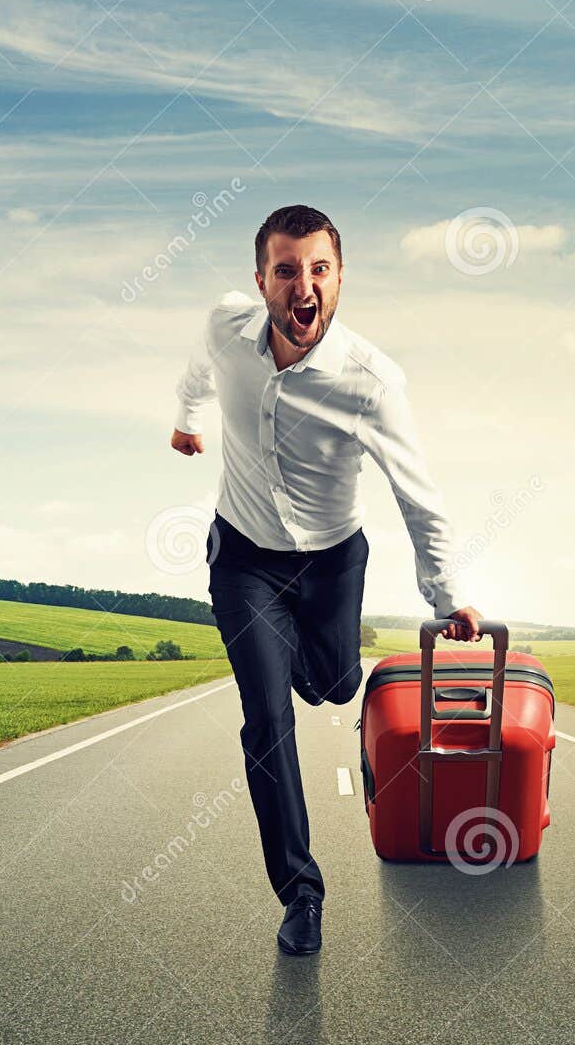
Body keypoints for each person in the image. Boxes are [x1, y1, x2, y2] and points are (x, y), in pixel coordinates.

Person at [170, 203, 484, 955]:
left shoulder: (371, 382)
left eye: (318, 270)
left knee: (337, 685)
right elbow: (196, 369)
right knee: (265, 719)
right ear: (261, 281)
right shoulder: (225, 327)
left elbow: (418, 495)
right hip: (243, 557)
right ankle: (300, 894)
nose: (301, 286)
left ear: (339, 278)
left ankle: (331, 675)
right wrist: (187, 419)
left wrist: (448, 597)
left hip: (333, 561)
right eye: (285, 271)